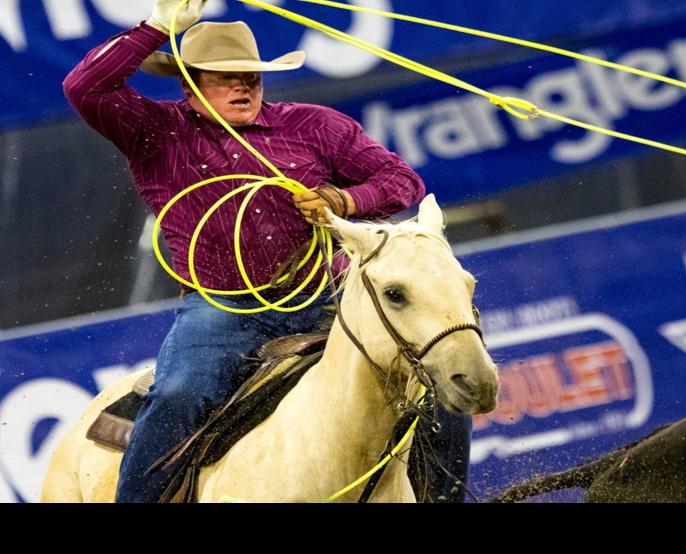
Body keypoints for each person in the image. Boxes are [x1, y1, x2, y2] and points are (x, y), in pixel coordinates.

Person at [62, 0, 471, 502]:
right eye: (225, 77)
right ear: (190, 84)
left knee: (438, 387)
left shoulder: (314, 126)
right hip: (223, 308)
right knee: (179, 394)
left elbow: (400, 181)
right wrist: (156, 28)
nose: (242, 87)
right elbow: (84, 87)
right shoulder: (156, 132)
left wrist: (342, 199)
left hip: (325, 297)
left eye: (251, 78)